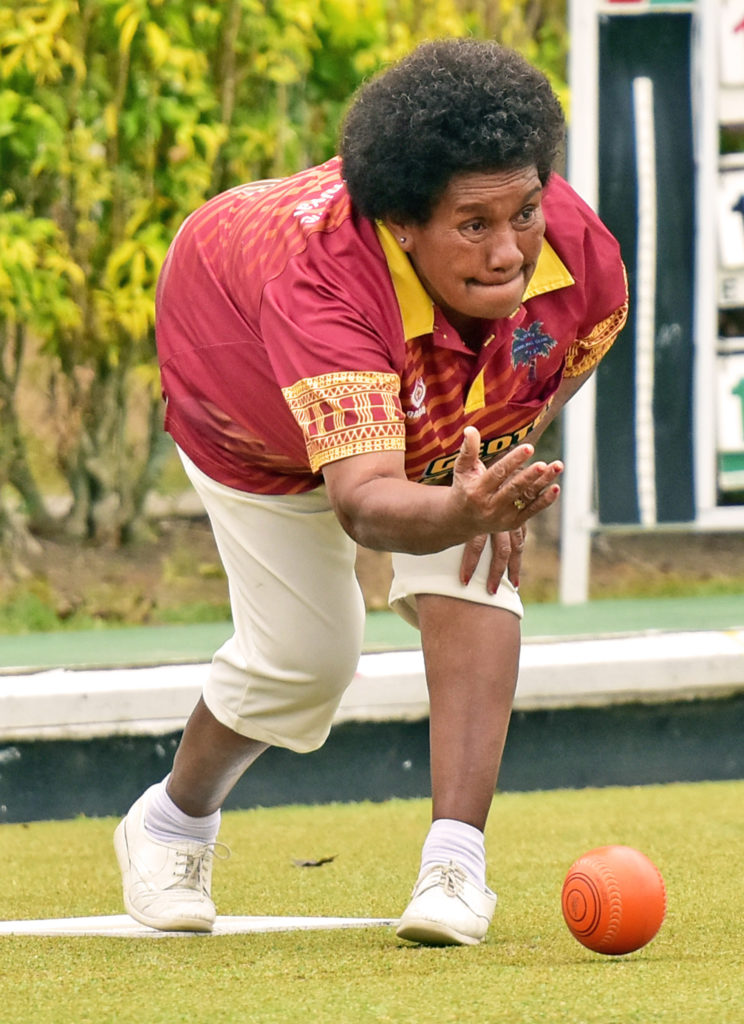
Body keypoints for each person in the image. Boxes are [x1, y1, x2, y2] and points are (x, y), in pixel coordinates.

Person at [114, 37, 627, 947]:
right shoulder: (323, 284)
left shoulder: (578, 254)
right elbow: (364, 501)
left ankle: (455, 867)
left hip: (405, 377)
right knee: (308, 660)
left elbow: (563, 365)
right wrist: (464, 502)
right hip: (241, 383)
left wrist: (500, 464)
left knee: (474, 563)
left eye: (525, 212)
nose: (509, 251)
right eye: (473, 225)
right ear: (400, 222)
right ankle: (170, 824)